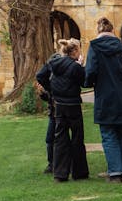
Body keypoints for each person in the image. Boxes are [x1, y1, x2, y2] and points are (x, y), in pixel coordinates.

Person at [84, 17, 122, 182]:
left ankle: (115, 172)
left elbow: (90, 72)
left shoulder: (95, 47)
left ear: (99, 31)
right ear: (112, 31)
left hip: (105, 95)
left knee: (109, 133)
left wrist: (90, 83)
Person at [36, 38, 88, 182]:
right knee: (77, 137)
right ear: (75, 51)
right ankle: (79, 172)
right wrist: (82, 66)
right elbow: (84, 82)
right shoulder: (75, 67)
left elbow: (40, 76)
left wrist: (52, 89)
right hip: (73, 104)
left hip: (58, 104)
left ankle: (60, 173)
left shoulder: (53, 63)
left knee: (60, 138)